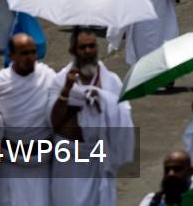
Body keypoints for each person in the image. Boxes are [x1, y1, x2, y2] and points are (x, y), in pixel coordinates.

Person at [48, 29, 134, 205]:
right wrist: (67, 90)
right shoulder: (60, 80)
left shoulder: (111, 81)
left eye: (91, 46)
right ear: (73, 50)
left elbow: (124, 115)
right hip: (69, 159)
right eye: (82, 47)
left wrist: (104, 101)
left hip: (99, 155)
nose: (88, 51)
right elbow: (53, 121)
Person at [0, 32, 59, 206]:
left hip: (42, 162)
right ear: (12, 55)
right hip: (11, 163)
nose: (30, 57)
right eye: (24, 53)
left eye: (33, 52)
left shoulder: (48, 77)